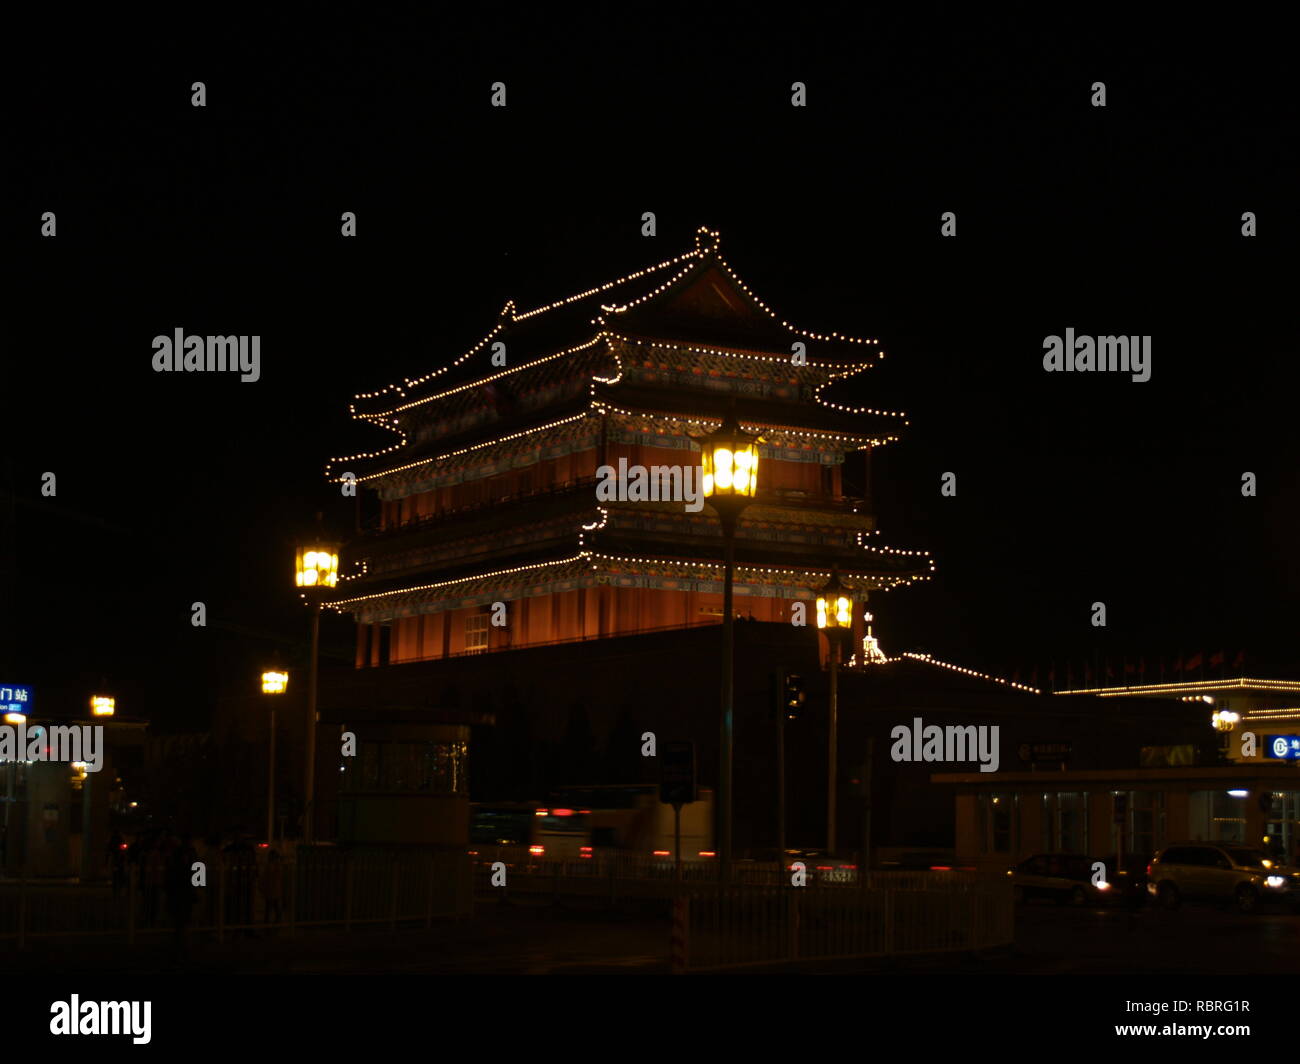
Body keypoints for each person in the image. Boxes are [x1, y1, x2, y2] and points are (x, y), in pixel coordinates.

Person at [260, 850, 284, 929]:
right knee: (274, 908)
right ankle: (275, 924)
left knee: (270, 908)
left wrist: (262, 888)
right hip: (273, 889)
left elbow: (265, 878)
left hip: (271, 890)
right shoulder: (276, 865)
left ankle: (268, 925)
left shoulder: (270, 865)